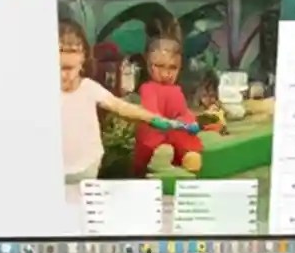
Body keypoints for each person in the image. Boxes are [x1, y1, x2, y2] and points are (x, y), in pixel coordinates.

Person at [58, 19, 182, 185]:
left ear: (82, 61)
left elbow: (121, 107)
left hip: (87, 167)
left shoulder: (88, 88)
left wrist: (153, 118)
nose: (63, 76)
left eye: (69, 69)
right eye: (57, 68)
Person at [133, 33, 203, 177]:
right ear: (149, 65)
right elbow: (150, 111)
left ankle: (188, 157)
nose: (166, 73)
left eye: (172, 68)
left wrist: (189, 121)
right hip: (156, 129)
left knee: (184, 137)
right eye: (159, 66)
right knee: (153, 139)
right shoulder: (148, 88)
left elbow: (182, 111)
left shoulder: (177, 90)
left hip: (173, 129)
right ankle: (158, 159)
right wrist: (160, 121)